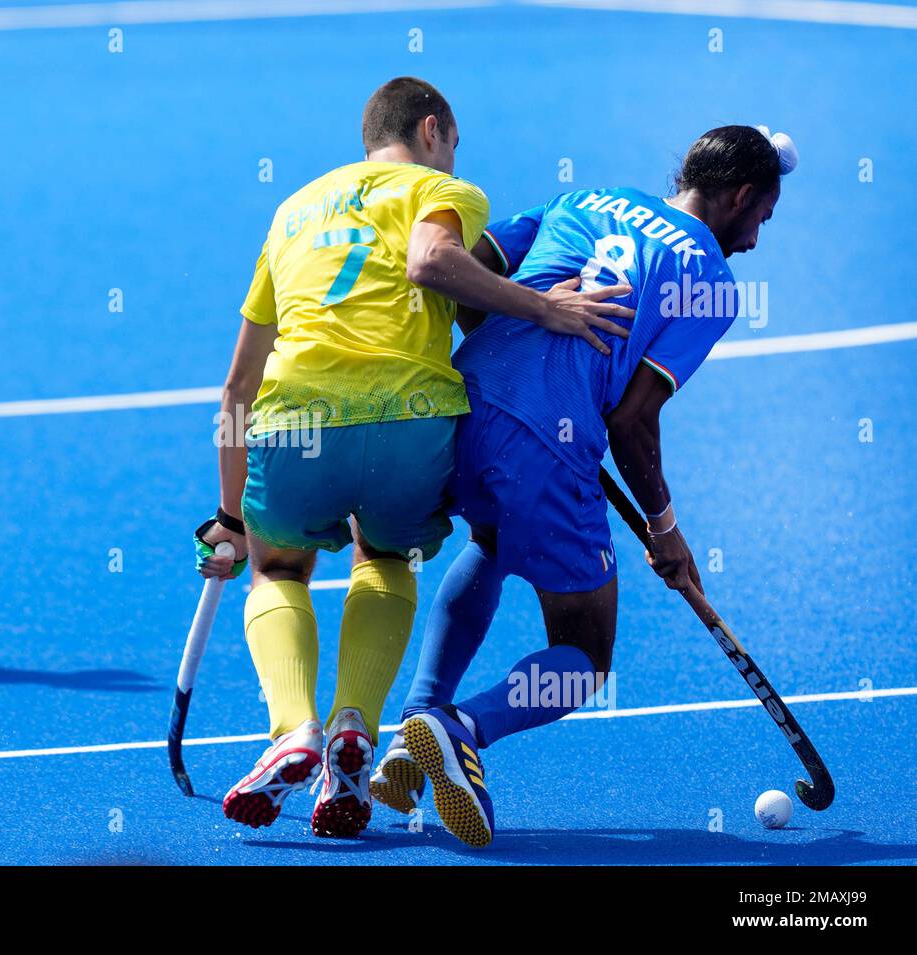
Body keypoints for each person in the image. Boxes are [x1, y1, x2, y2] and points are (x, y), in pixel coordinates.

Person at [196, 76, 632, 837]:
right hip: (413, 421)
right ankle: (353, 726)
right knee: (386, 558)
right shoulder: (440, 189)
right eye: (455, 144)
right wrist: (545, 307)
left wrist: (231, 518)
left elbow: (238, 382)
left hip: (298, 421)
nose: (456, 160)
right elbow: (433, 263)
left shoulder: (292, 210)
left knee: (278, 567)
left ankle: (293, 730)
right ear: (434, 129)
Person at [369, 125, 797, 847]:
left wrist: (521, 368)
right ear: (742, 195)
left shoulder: (585, 197)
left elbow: (468, 268)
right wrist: (665, 531)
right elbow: (633, 422)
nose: (754, 240)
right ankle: (458, 725)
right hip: (547, 442)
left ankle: (414, 726)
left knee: (493, 539)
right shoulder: (710, 279)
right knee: (585, 654)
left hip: (464, 404)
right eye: (761, 220)